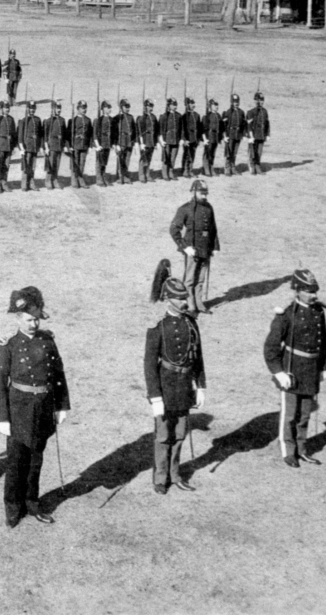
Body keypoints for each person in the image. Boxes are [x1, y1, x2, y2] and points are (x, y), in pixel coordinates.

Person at [0, 286, 70, 528]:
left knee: (36, 461)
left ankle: (32, 503)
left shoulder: (48, 341)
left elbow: (58, 375)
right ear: (18, 318)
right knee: (16, 463)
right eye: (28, 320)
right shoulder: (8, 346)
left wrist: (62, 406)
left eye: (36, 319)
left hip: (44, 408)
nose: (33, 324)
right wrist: (2, 418)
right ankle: (13, 508)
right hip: (18, 412)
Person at [144, 266, 206, 494]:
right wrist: (155, 397)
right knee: (162, 436)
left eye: (185, 297)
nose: (185, 302)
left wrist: (201, 386)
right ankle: (160, 478)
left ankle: (175, 473)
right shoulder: (158, 329)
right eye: (179, 298)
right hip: (165, 388)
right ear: (168, 299)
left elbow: (198, 358)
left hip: (184, 388)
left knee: (180, 434)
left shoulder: (191, 325)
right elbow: (150, 367)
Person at [263, 269, 326, 468]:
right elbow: (271, 347)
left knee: (305, 415)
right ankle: (288, 451)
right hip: (292, 370)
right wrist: (278, 372)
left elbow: (323, 341)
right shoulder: (286, 316)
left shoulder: (318, 312)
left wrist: (325, 366)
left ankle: (302, 450)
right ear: (298, 291)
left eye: (315, 291)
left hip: (311, 370)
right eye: (309, 291)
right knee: (290, 415)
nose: (314, 295)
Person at [169, 180, 219, 314]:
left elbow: (213, 229)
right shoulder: (185, 209)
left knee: (201, 278)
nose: (204, 196)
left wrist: (214, 247)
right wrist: (185, 247)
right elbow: (174, 230)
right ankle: (191, 306)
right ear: (194, 192)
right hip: (192, 249)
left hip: (206, 249)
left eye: (206, 193)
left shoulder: (209, 207)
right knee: (190, 279)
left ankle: (199, 303)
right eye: (202, 193)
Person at [17, 102, 43, 191]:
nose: (32, 110)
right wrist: (21, 147)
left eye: (33, 108)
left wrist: (40, 146)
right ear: (27, 109)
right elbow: (20, 135)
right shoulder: (24, 120)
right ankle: (24, 184)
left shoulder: (38, 120)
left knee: (33, 166)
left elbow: (40, 134)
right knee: (26, 166)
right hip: (27, 147)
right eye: (30, 108)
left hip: (35, 146)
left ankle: (31, 183)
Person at [42, 100, 68, 190]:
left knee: (57, 164)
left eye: (60, 108)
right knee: (51, 164)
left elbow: (64, 134)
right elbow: (45, 135)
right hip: (51, 145)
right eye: (57, 108)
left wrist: (64, 145)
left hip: (59, 145)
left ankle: (55, 179)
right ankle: (48, 180)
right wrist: (46, 147)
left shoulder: (62, 120)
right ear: (53, 109)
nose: (59, 110)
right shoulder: (48, 120)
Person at [67, 100, 93, 188]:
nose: (84, 110)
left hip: (84, 145)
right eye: (82, 108)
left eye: (85, 108)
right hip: (75, 145)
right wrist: (69, 146)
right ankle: (74, 180)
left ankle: (81, 180)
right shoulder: (73, 120)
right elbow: (68, 135)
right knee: (75, 163)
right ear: (78, 109)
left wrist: (89, 145)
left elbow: (90, 134)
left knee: (82, 163)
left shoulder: (88, 120)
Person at [221, 93, 248, 176]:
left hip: (238, 135)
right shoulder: (228, 112)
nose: (236, 103)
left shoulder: (241, 112)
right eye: (234, 101)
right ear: (231, 102)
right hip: (230, 135)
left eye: (237, 101)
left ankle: (233, 168)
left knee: (235, 152)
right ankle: (227, 168)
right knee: (229, 152)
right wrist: (224, 136)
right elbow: (223, 126)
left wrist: (244, 135)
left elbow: (244, 124)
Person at [113, 99, 138, 184]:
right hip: (121, 141)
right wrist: (116, 143)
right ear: (121, 107)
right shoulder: (117, 118)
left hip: (129, 141)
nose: (128, 108)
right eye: (126, 107)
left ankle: (125, 176)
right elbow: (115, 132)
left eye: (128, 107)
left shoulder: (130, 117)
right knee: (121, 159)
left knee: (127, 159)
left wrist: (134, 141)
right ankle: (120, 176)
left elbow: (134, 130)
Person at [246, 91, 270, 174]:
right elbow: (248, 125)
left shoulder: (264, 111)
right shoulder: (251, 112)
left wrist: (267, 134)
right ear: (255, 101)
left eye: (262, 100)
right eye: (259, 100)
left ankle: (257, 166)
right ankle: (252, 166)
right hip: (254, 135)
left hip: (261, 135)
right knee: (252, 152)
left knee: (259, 152)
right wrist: (250, 136)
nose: (261, 102)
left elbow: (267, 123)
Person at [136, 99, 159, 183]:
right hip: (145, 140)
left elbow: (156, 130)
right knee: (143, 159)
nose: (150, 108)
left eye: (151, 106)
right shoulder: (141, 118)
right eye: (149, 106)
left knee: (149, 159)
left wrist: (156, 143)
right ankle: (141, 176)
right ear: (145, 107)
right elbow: (139, 132)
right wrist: (141, 143)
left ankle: (147, 175)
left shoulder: (153, 117)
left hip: (152, 141)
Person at [93, 100, 114, 186]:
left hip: (107, 143)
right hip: (100, 143)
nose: (109, 109)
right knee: (99, 162)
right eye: (107, 107)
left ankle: (103, 176)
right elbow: (94, 134)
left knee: (105, 162)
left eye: (110, 107)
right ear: (103, 108)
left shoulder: (111, 119)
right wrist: (97, 145)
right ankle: (99, 179)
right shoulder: (98, 120)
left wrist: (112, 144)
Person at [201, 98, 223, 177]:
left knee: (213, 154)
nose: (216, 107)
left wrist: (220, 137)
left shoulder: (218, 115)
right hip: (209, 136)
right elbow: (203, 128)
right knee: (207, 153)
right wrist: (204, 139)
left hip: (216, 137)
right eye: (214, 105)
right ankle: (206, 169)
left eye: (217, 105)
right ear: (210, 106)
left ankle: (211, 167)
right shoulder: (207, 116)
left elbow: (221, 127)